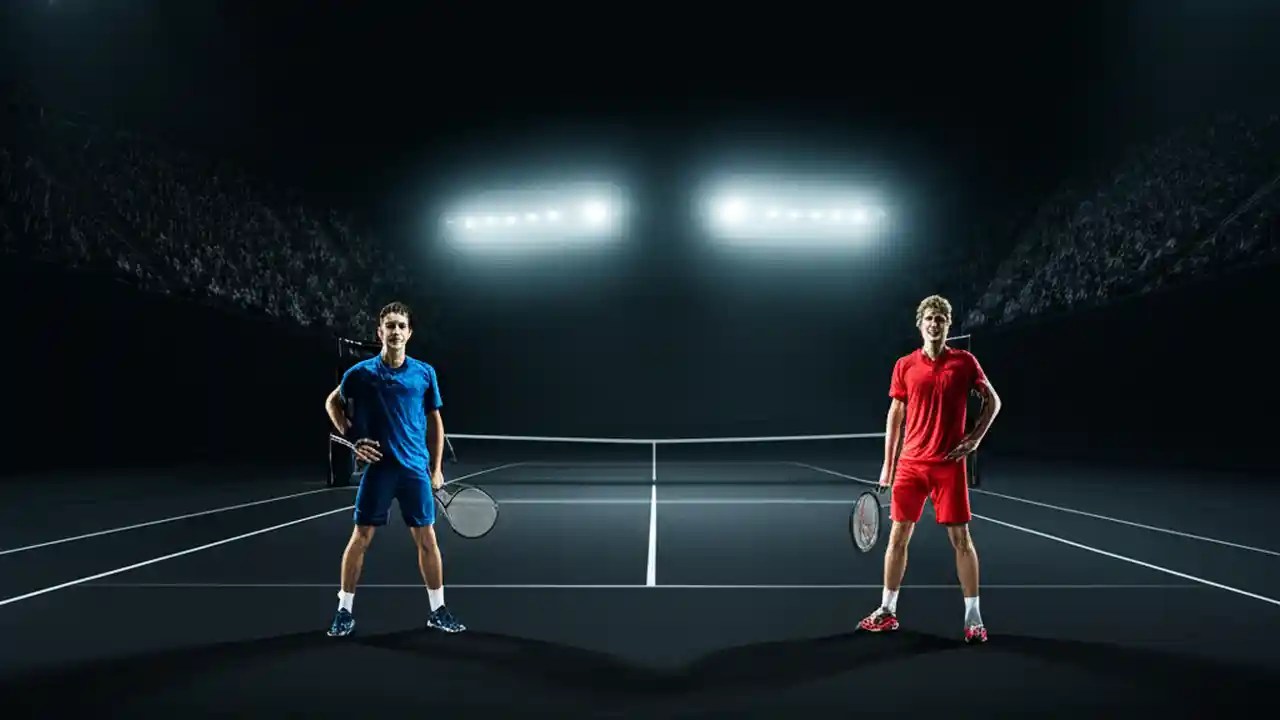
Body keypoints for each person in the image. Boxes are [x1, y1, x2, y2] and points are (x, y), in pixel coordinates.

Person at [859, 294, 1001, 644]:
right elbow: (895, 416)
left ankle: (973, 619)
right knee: (897, 538)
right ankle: (887, 611)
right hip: (910, 466)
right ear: (920, 324)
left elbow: (993, 401)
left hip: (948, 467)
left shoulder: (964, 362)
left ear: (948, 325)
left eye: (940, 318)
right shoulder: (905, 365)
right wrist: (888, 466)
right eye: (929, 318)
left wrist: (975, 439)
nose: (934, 324)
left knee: (961, 540)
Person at [323, 301, 465, 637]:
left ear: (409, 333)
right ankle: (344, 611)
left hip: (415, 470)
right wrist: (353, 438)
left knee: (427, 540)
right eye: (390, 325)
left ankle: (438, 610)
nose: (396, 331)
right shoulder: (360, 373)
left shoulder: (424, 373)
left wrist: (436, 469)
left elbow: (435, 422)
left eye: (401, 326)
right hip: (380, 470)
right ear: (380, 331)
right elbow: (332, 402)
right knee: (360, 538)